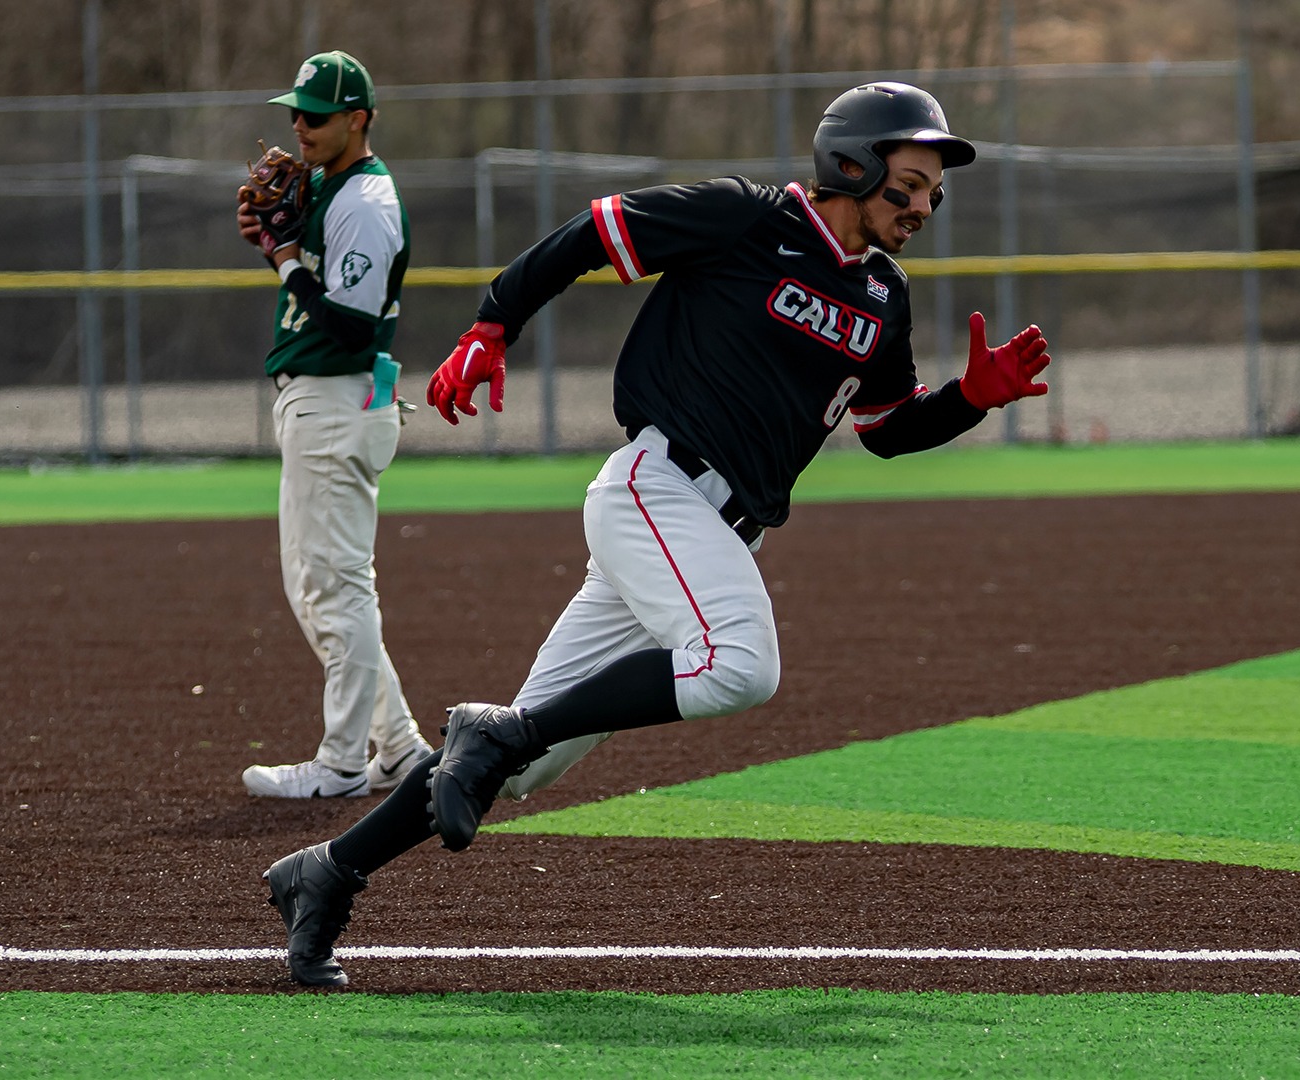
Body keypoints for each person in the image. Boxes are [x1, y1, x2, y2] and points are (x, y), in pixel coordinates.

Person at [260, 82, 1052, 986]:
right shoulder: (744, 218)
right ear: (851, 163)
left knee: (520, 769)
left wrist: (967, 402)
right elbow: (592, 233)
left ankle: (326, 872)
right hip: (658, 489)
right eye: (908, 183)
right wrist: (493, 321)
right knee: (740, 663)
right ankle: (492, 732)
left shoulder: (883, 292)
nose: (924, 206)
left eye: (934, 193)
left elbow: (885, 428)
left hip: (710, 533)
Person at [234, 50, 433, 800]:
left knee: (338, 590)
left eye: (315, 116)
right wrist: (273, 244)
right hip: (323, 399)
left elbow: (348, 326)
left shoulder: (365, 202)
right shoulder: (329, 187)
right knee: (320, 588)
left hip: (338, 395)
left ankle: (344, 761)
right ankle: (402, 747)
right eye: (294, 113)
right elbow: (311, 291)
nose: (299, 128)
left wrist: (285, 256)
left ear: (359, 118)